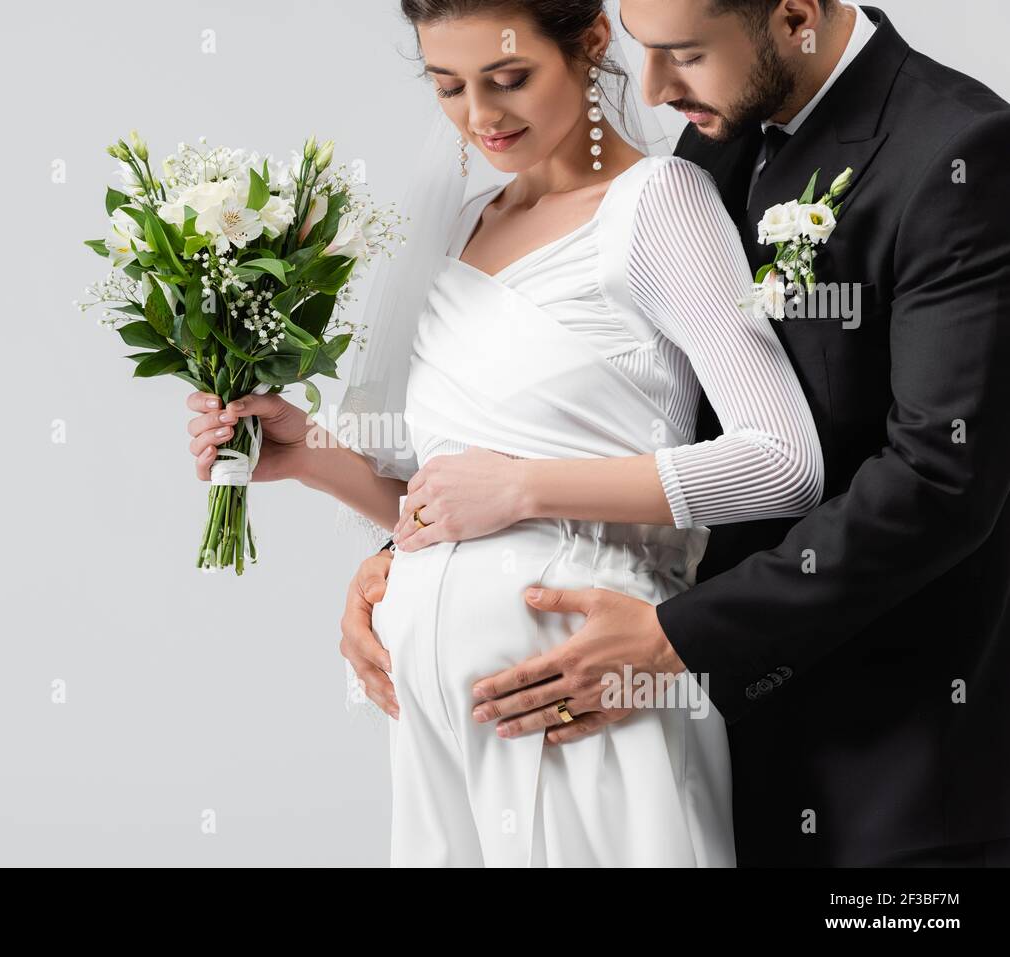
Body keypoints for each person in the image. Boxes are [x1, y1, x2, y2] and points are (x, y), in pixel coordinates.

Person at [346, 0, 1010, 867]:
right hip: (710, 730)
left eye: (683, 53)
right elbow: (624, 411)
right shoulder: (712, 141)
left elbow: (940, 482)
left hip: (893, 765)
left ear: (794, 15)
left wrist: (680, 638)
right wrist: (409, 558)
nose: (652, 90)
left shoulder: (957, 153)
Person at [186, 0, 826, 865]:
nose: (481, 116)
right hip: (437, 716)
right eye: (449, 85)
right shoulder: (458, 226)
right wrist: (309, 456)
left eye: (509, 78)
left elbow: (782, 462)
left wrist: (527, 485)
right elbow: (447, 505)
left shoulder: (656, 204)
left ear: (592, 41)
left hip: (581, 685)